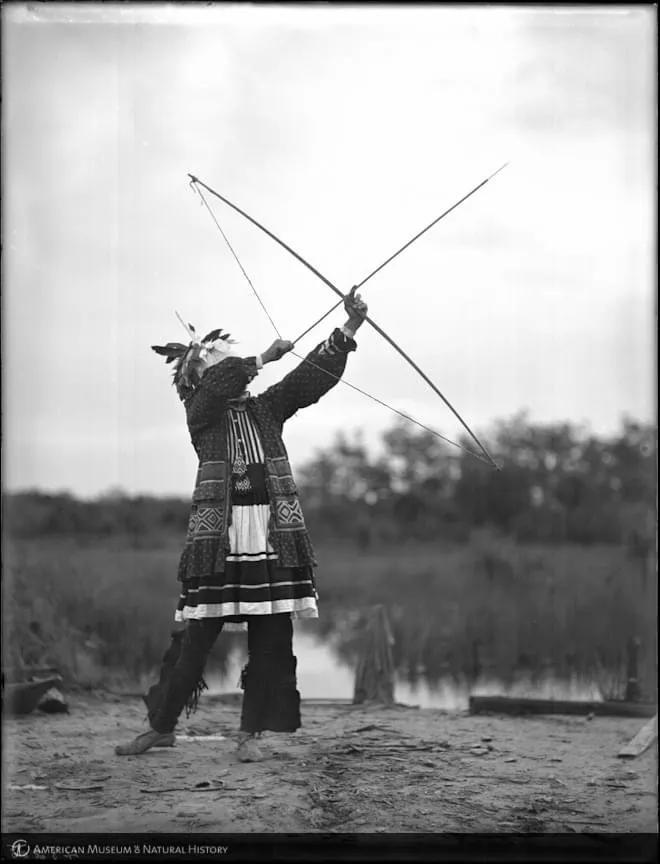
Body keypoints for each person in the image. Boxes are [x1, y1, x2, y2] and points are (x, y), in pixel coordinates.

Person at [116, 290, 368, 759]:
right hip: (220, 538)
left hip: (272, 535)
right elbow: (219, 384)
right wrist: (260, 356)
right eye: (226, 370)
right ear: (202, 380)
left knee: (271, 640)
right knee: (195, 641)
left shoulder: (266, 409)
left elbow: (307, 382)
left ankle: (249, 735)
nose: (240, 376)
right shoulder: (200, 414)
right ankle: (162, 726)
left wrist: (348, 329)